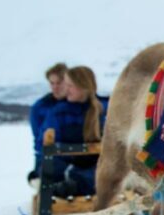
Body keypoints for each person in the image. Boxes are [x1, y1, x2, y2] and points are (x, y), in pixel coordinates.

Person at [41, 65, 108, 197]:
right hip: (67, 166)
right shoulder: (59, 112)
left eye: (70, 85)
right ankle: (70, 185)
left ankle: (79, 184)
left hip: (96, 167)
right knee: (51, 166)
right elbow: (46, 148)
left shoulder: (104, 110)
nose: (66, 89)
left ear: (84, 87)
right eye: (66, 85)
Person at [28, 62, 68, 182]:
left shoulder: (79, 103)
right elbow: (38, 140)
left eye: (59, 83)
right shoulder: (39, 107)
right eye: (52, 83)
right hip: (49, 157)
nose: (55, 87)